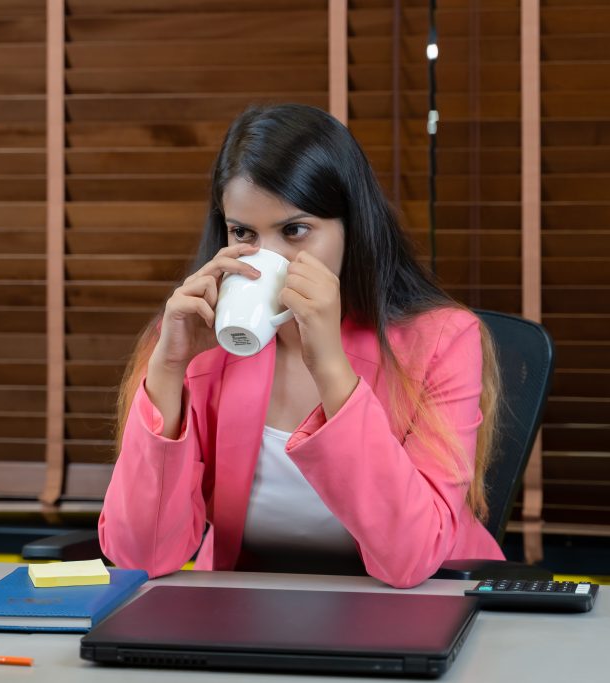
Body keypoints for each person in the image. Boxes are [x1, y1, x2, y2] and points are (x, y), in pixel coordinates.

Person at [98, 103, 503, 588]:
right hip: (248, 611)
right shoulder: (198, 343)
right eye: (244, 232)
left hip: (427, 601)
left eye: (295, 231)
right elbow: (140, 554)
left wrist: (331, 367)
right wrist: (166, 371)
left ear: (351, 229)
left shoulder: (442, 341)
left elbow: (411, 559)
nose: (270, 259)